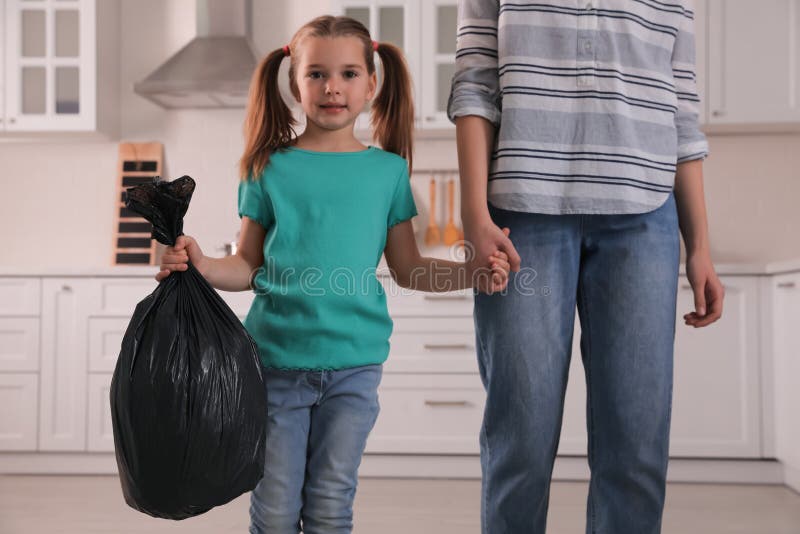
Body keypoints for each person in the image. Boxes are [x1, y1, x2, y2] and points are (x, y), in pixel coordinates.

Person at [156, 15, 510, 534]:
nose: (332, 88)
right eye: (316, 74)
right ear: (294, 82)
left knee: (329, 506)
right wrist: (202, 263)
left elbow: (408, 269)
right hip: (275, 367)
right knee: (274, 511)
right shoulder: (268, 167)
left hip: (354, 371)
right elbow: (247, 266)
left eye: (348, 74)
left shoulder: (388, 171)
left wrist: (470, 274)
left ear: (371, 82)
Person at [448, 1, 725, 532]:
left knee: (636, 445)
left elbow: (682, 116)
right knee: (519, 442)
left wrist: (700, 247)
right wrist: (473, 214)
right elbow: (475, 83)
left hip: (643, 221)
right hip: (520, 217)